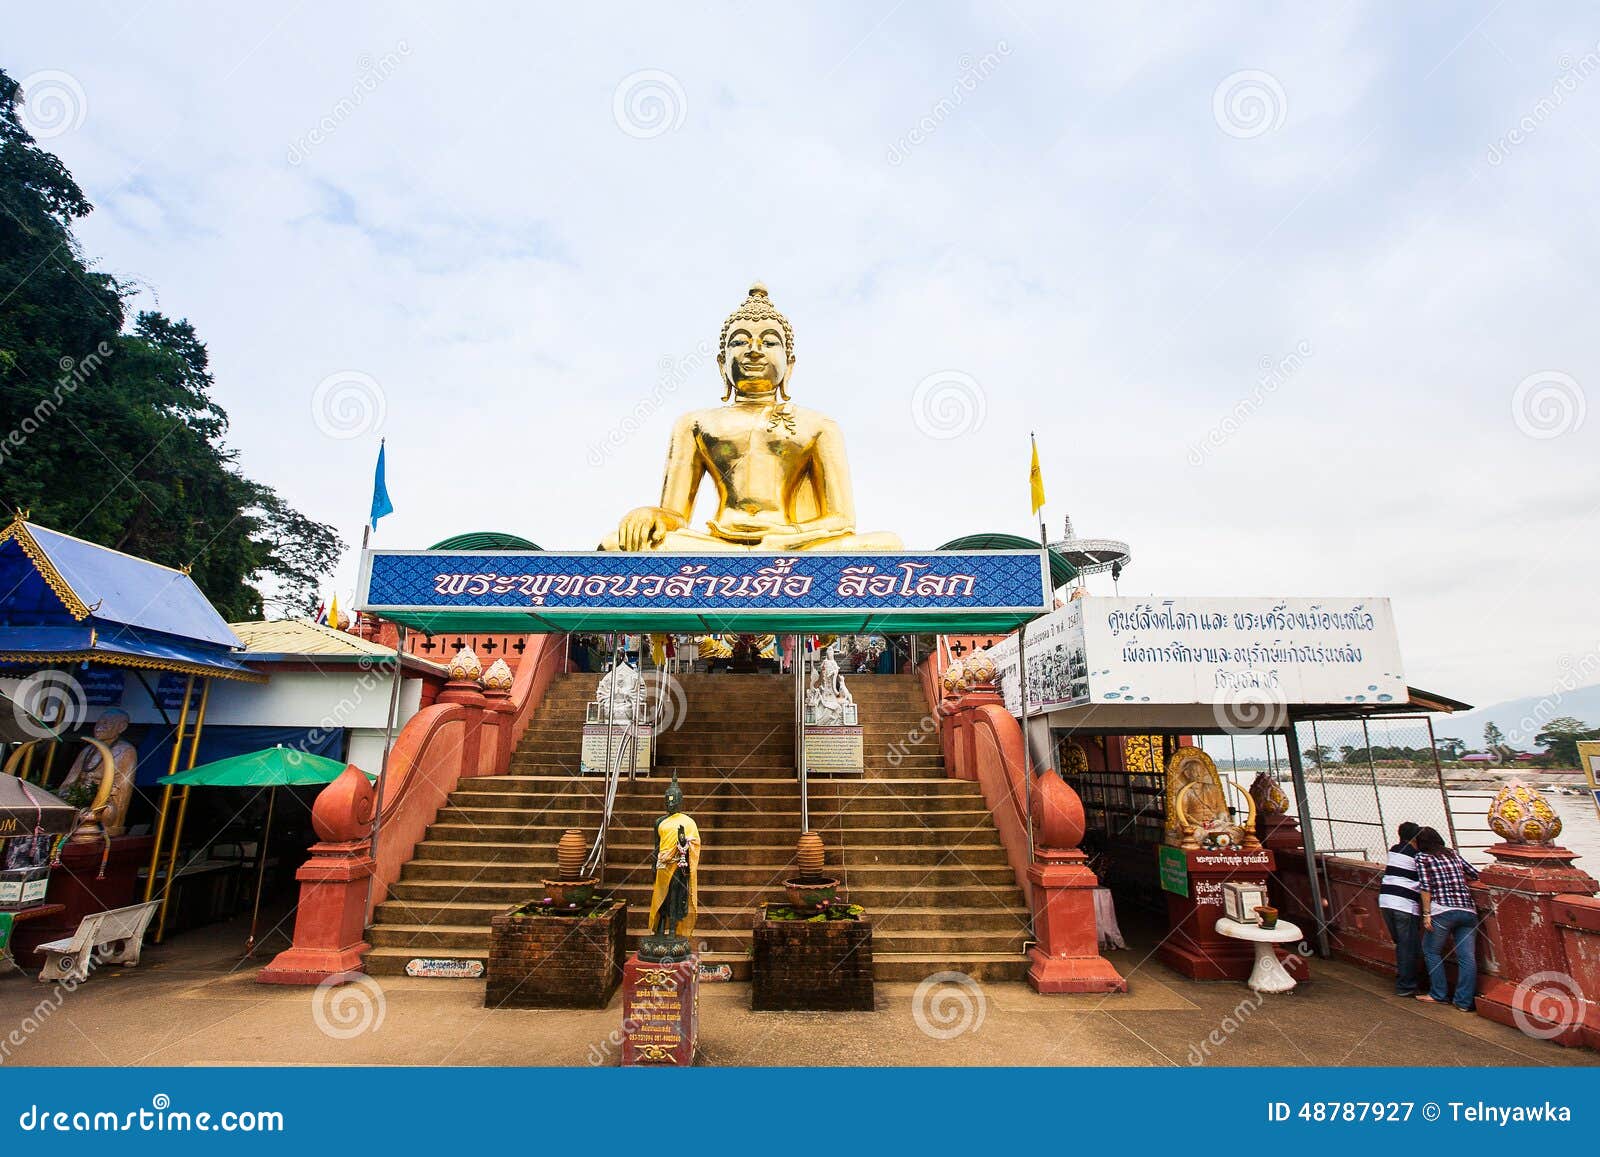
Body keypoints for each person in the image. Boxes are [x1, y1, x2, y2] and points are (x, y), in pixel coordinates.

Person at [1413, 825, 1481, 1011]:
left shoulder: (1422, 857)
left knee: (1431, 951)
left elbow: (1425, 887)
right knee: (1467, 957)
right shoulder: (1453, 854)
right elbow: (1474, 874)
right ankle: (1464, 1002)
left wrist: (1426, 914)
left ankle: (1438, 994)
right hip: (1468, 910)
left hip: (1442, 910)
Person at [1377, 821, 1423, 996]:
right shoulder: (1418, 856)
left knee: (1402, 944)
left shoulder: (1394, 850)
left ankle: (1405, 979)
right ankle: (1406, 986)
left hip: (1386, 901)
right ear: (1415, 838)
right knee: (1408, 946)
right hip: (1405, 904)